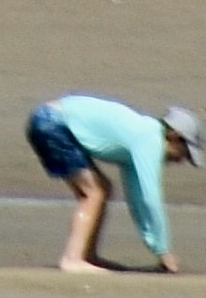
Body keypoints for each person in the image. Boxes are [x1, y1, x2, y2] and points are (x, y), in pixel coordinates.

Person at [25, 95, 196, 274]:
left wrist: (157, 248)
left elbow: (137, 198)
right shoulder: (150, 139)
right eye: (184, 153)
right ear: (174, 136)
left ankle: (87, 255)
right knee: (93, 193)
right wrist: (163, 250)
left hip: (48, 119)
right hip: (53, 122)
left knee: (101, 189)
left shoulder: (141, 136)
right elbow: (150, 198)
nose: (180, 160)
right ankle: (72, 259)